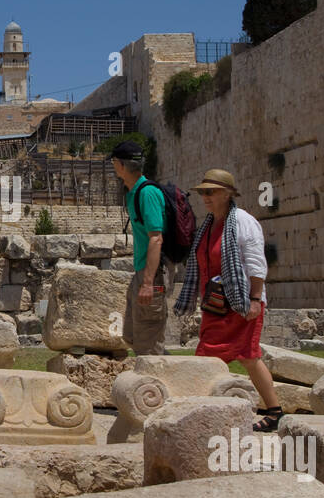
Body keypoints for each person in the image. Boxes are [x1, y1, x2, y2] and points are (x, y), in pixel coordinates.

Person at [171, 169, 283, 431]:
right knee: (225, 356)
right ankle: (208, 411)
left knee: (244, 356)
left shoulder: (243, 222)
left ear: (228, 194)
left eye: (211, 192)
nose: (205, 197)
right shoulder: (210, 225)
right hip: (216, 304)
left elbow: (256, 264)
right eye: (203, 192)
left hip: (241, 302)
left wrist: (255, 299)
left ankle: (271, 411)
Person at [109, 140, 171, 356]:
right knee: (132, 335)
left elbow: (156, 238)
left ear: (121, 165)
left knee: (149, 348)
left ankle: (156, 385)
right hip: (141, 272)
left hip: (151, 275)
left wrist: (147, 283)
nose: (113, 166)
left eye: (114, 162)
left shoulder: (147, 194)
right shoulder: (133, 193)